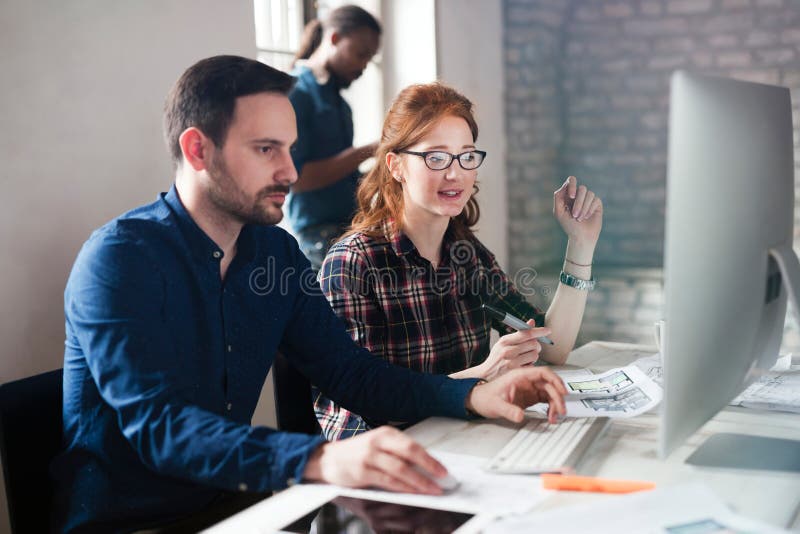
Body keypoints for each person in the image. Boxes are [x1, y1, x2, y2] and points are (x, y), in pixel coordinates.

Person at [52, 56, 568, 533]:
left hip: (243, 505)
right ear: (197, 150)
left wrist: (474, 394)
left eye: (290, 149)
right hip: (130, 523)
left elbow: (352, 375)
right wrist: (317, 459)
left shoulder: (274, 252)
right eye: (265, 149)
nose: (291, 172)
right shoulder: (119, 259)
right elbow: (160, 427)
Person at [315, 83, 603, 440]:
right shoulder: (354, 262)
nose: (456, 173)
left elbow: (552, 346)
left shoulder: (466, 255)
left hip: (457, 439)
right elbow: (370, 401)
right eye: (436, 157)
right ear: (396, 166)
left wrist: (580, 243)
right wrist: (483, 376)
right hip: (381, 457)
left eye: (467, 156)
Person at [286, 5, 381, 270]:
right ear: (335, 39)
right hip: (317, 237)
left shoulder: (340, 103)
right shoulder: (297, 94)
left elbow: (342, 176)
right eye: (361, 54)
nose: (364, 66)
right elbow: (297, 178)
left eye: (370, 58)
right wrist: (370, 150)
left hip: (348, 227)